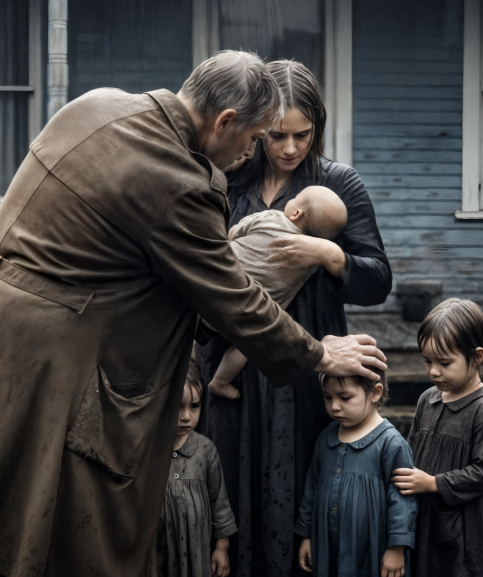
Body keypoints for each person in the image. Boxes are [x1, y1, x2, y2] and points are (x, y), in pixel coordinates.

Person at [0, 50, 388, 577]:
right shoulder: (179, 181)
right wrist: (318, 352)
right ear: (225, 122)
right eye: (253, 139)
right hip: (40, 343)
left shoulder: (101, 104)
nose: (253, 154)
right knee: (33, 509)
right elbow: (233, 300)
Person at [199, 60, 392, 576]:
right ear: (258, 129)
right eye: (276, 135)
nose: (288, 147)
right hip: (233, 362)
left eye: (301, 134)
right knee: (233, 487)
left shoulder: (336, 185)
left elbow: (377, 279)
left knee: (300, 488)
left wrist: (326, 255)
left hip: (307, 366)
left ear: (318, 126)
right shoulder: (231, 179)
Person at [390, 299, 483, 577]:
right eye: (428, 361)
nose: (433, 371)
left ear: (477, 356)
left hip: (468, 524)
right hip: (428, 516)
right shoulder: (427, 400)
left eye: (444, 362)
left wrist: (433, 483)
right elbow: (411, 450)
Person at [208, 185, 348, 400]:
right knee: (244, 347)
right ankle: (220, 382)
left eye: (296, 197)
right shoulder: (313, 260)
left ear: (296, 213)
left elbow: (234, 232)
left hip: (214, 286)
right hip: (250, 313)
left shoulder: (272, 218)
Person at [295, 370, 416, 577]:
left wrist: (396, 548)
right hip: (326, 546)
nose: (334, 406)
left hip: (371, 552)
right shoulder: (326, 438)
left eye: (345, 397)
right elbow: (311, 489)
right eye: (327, 397)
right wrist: (306, 536)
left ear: (375, 393)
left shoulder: (391, 444)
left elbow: (402, 501)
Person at [157, 357, 236, 577]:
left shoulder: (205, 450)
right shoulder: (150, 451)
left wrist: (221, 549)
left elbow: (219, 504)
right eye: (177, 406)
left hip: (196, 555)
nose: (186, 417)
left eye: (194, 406)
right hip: (158, 554)